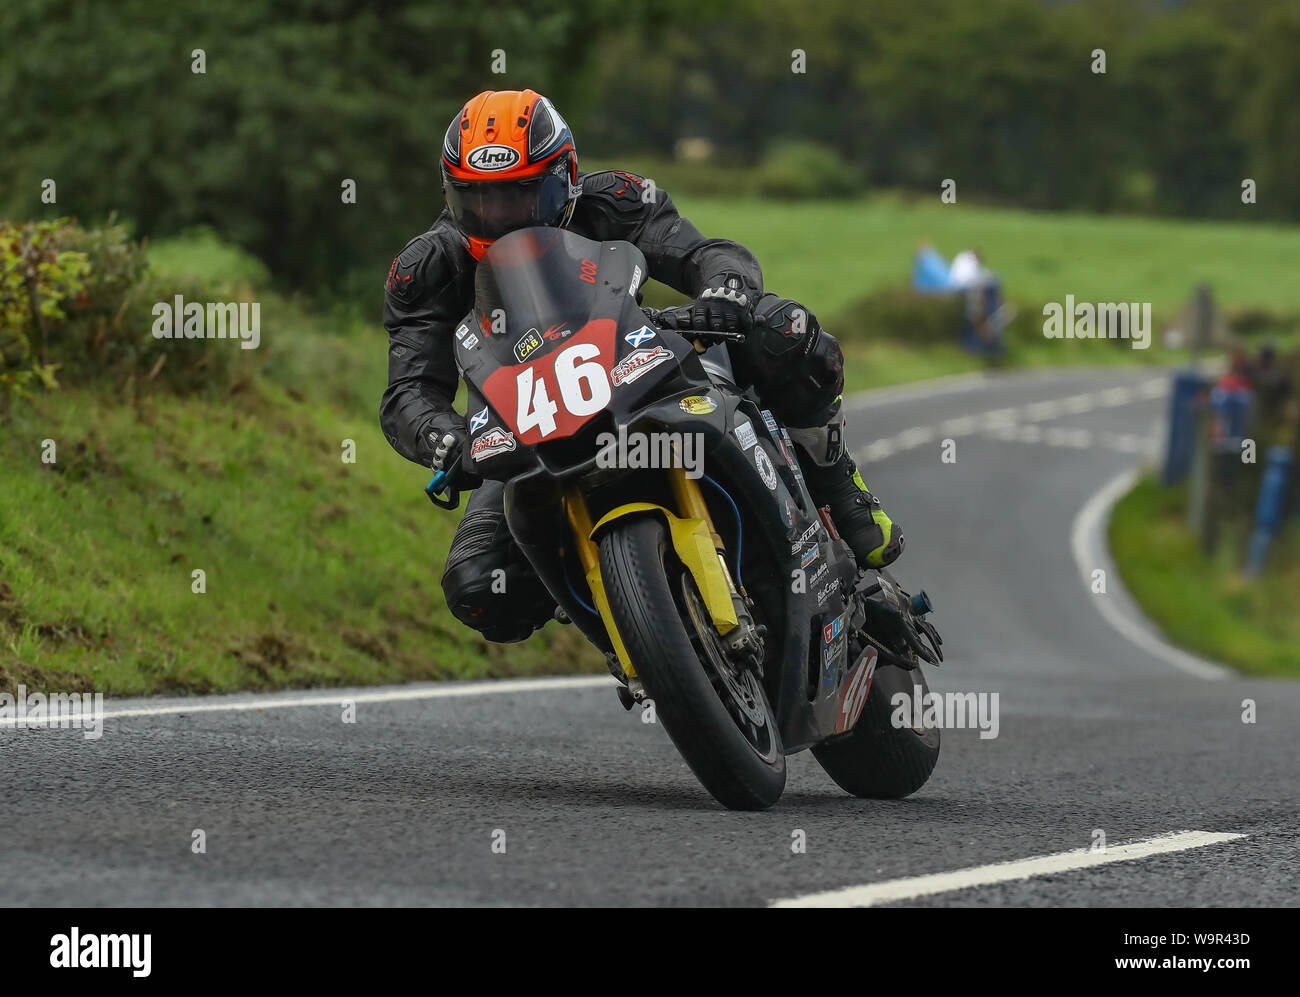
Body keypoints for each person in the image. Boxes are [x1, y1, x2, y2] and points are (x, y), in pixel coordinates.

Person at [380, 89, 904, 643]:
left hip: (638, 356)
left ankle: (835, 480)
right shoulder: (428, 267)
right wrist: (448, 441)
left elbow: (708, 254)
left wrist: (723, 294)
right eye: (479, 202)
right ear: (450, 194)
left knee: (785, 331)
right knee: (479, 588)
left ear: (565, 176)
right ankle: (628, 624)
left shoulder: (615, 200)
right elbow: (408, 391)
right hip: (527, 422)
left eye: (521, 197)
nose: (502, 218)